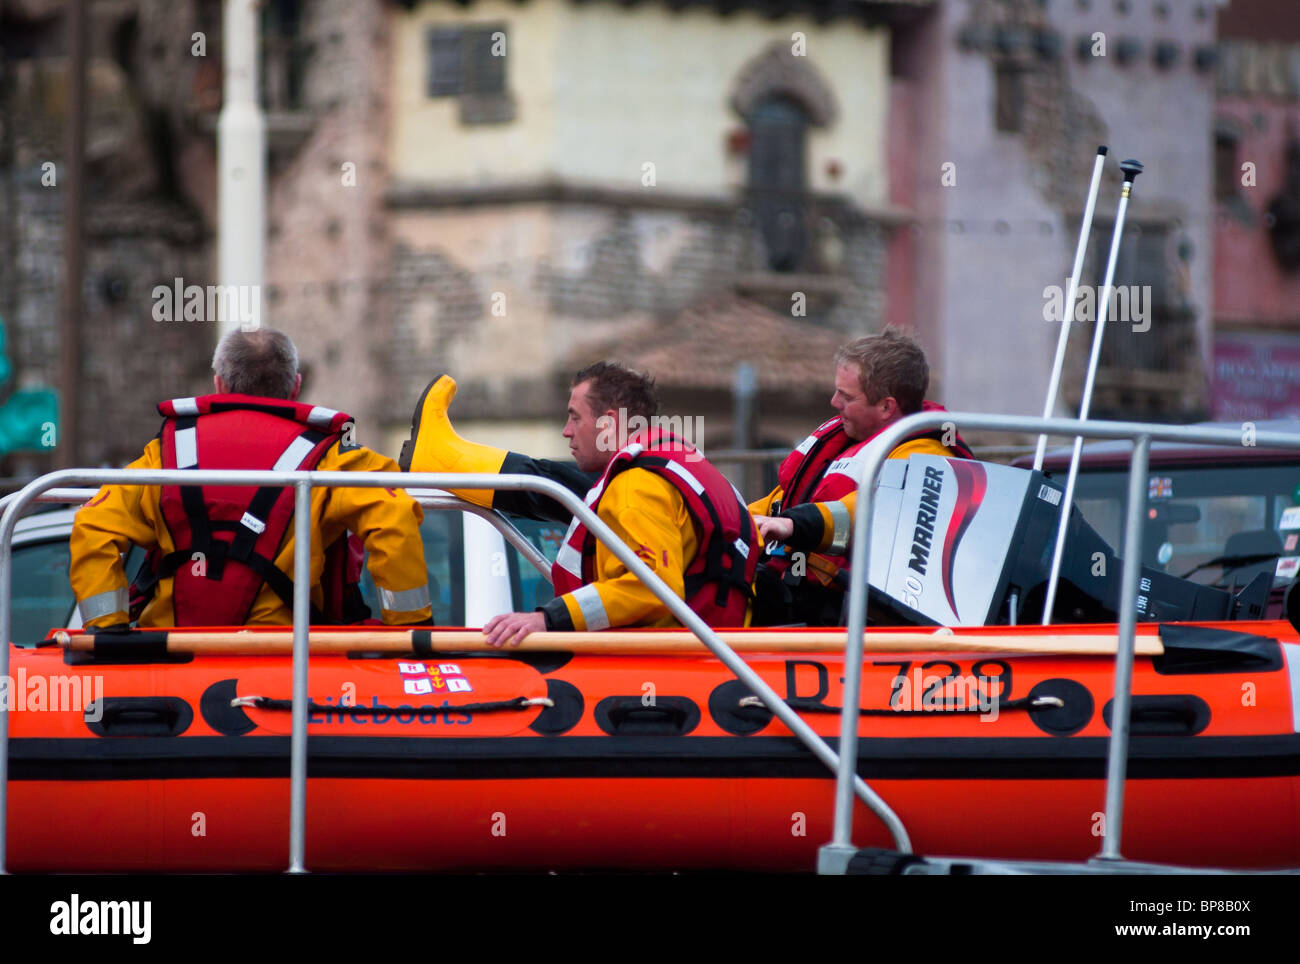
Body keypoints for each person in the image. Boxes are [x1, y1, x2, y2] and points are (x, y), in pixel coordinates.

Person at [70, 328, 432, 628]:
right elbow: (394, 517)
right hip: (287, 665)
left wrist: (109, 631)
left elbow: (94, 525)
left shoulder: (168, 453)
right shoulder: (331, 456)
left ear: (218, 384)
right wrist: (410, 629)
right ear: (295, 387)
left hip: (173, 666)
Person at [399, 362, 758, 645]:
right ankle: (442, 460)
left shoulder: (636, 485)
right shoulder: (679, 464)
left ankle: (442, 460)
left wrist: (547, 619)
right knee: (562, 485)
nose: (566, 431)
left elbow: (650, 589)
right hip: (701, 657)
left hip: (663, 669)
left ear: (609, 424)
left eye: (575, 417)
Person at [749, 328, 972, 625]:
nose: (833, 402)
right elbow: (784, 500)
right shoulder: (848, 442)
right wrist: (732, 522)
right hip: (791, 585)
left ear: (886, 406)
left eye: (846, 396)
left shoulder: (927, 459)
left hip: (836, 607)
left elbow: (880, 508)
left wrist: (793, 524)